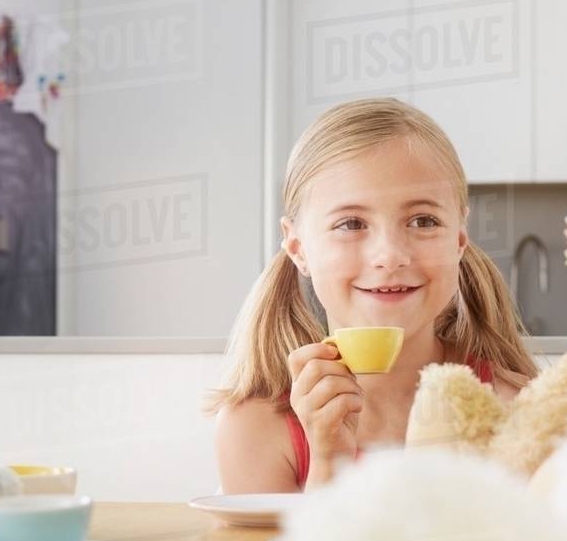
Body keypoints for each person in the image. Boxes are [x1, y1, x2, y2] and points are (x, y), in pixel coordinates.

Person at [205, 98, 539, 492]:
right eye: (351, 224)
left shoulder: (518, 412)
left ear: (459, 238)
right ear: (298, 248)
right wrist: (329, 461)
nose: (390, 256)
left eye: (423, 221)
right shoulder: (256, 428)